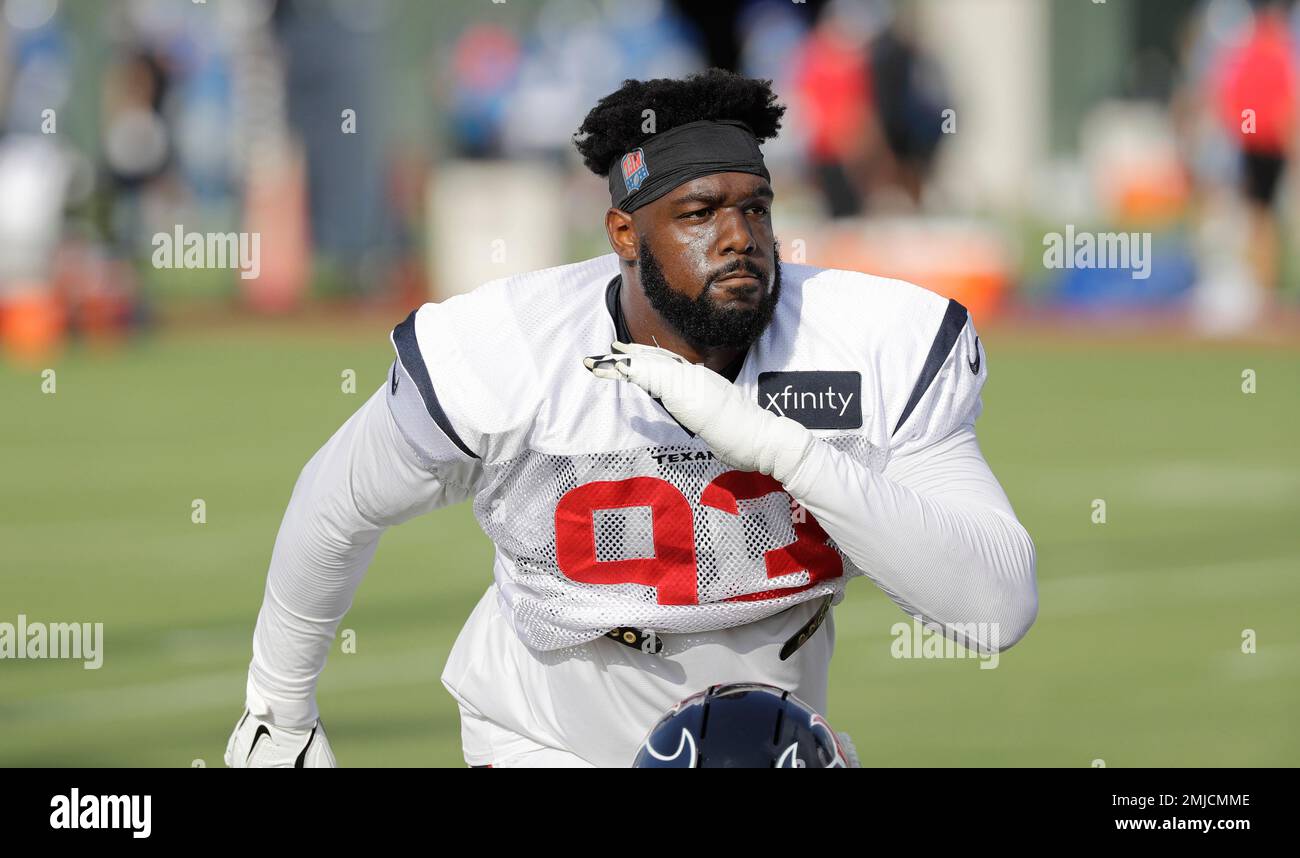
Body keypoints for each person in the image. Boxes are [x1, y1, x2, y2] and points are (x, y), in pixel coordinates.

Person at [225, 68, 1037, 769]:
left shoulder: (873, 342)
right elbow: (339, 501)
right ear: (623, 233)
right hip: (550, 737)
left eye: (757, 209)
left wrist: (781, 450)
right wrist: (278, 709)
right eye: (699, 213)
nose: (740, 239)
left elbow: (995, 608)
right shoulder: (512, 350)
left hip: (774, 738)